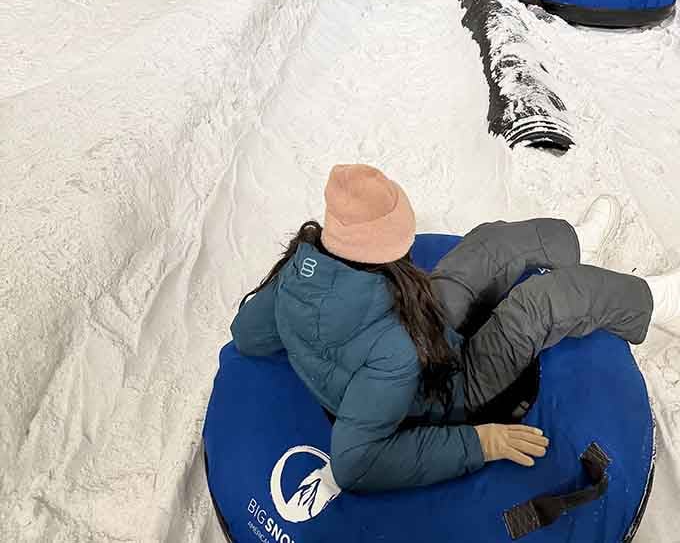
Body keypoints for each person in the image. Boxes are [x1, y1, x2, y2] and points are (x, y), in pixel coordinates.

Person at [231, 164, 680, 493]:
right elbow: (355, 462)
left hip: (415, 335)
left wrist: (318, 348)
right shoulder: (394, 353)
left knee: (488, 244)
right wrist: (481, 442)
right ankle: (660, 304)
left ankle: (574, 243)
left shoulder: (299, 272)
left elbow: (247, 334)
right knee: (541, 304)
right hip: (451, 388)